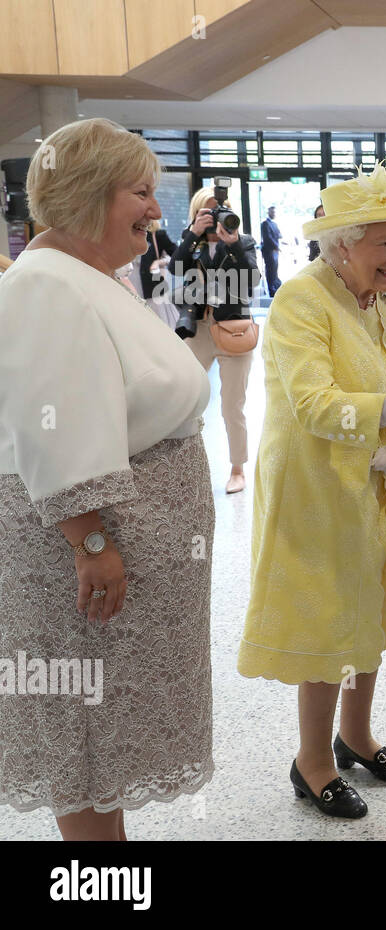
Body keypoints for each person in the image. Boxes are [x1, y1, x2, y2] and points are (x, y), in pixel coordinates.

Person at [0, 118, 213, 840]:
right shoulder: (47, 286)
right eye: (141, 192)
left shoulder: (88, 278)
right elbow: (52, 426)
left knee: (103, 737)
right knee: (84, 737)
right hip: (89, 556)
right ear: (91, 196)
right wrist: (91, 543)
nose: (157, 210)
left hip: (121, 548)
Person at [237, 164, 386, 819]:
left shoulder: (384, 302)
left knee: (369, 606)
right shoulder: (301, 301)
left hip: (378, 482)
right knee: (326, 620)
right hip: (316, 490)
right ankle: (311, 762)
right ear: (343, 243)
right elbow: (314, 404)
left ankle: (356, 736)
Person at [172, 187, 260, 495]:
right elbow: (176, 268)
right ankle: (187, 466)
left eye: (219, 211)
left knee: (232, 406)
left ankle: (238, 469)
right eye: (207, 212)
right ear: (197, 213)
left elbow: (251, 279)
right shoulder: (190, 242)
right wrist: (191, 234)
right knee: (188, 401)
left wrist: (233, 244)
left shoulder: (242, 242)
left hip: (233, 329)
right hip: (197, 328)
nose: (214, 218)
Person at [139, 219, 177, 326]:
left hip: (153, 292)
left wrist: (160, 261)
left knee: (161, 326)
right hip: (133, 286)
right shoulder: (127, 235)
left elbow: (176, 254)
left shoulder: (157, 235)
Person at [261, 205, 285, 298]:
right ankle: (271, 290)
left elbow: (279, 235)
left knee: (275, 269)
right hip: (269, 251)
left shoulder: (274, 224)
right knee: (270, 270)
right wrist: (277, 246)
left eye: (275, 212)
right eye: (272, 212)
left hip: (275, 251)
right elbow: (267, 238)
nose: (274, 214)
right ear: (269, 212)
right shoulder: (265, 224)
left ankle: (276, 287)